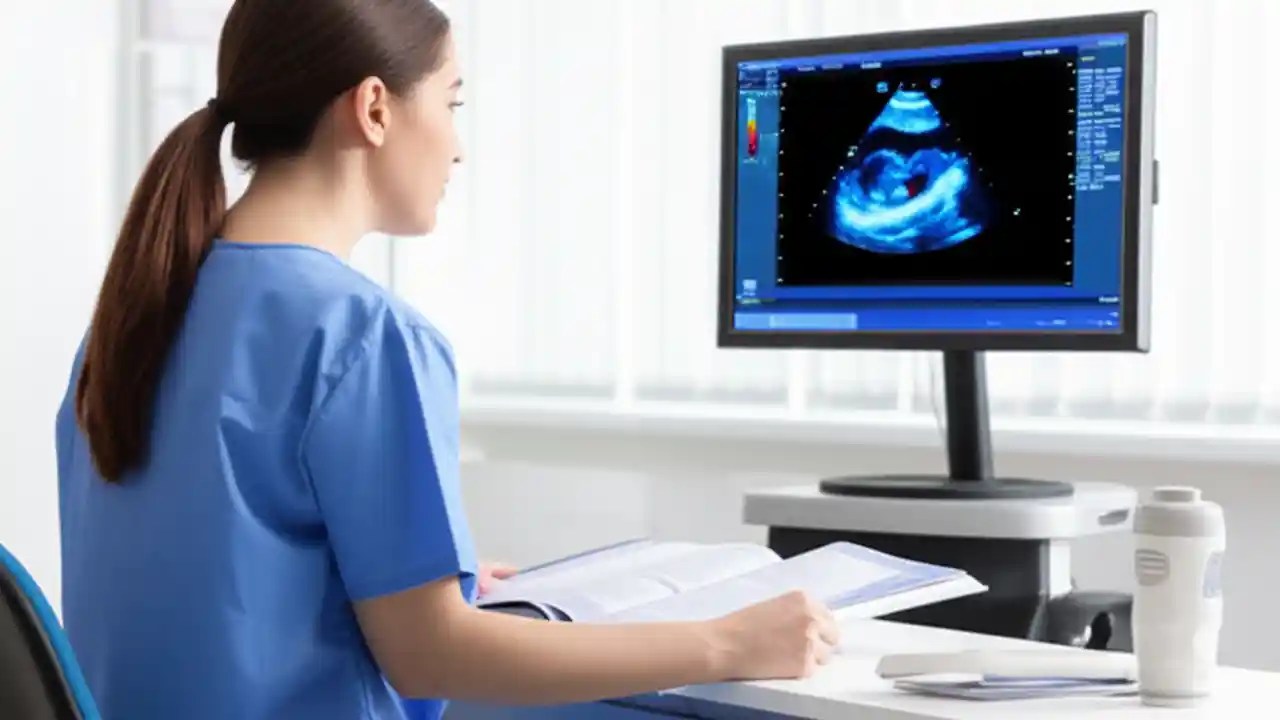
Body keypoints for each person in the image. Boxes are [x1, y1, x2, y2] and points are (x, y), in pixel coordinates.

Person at [54, 2, 840, 719]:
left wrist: (407, 581)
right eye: (452, 103)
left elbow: (204, 579)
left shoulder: (128, 325)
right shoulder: (363, 336)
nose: (458, 148)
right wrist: (728, 644)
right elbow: (429, 654)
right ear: (373, 109)